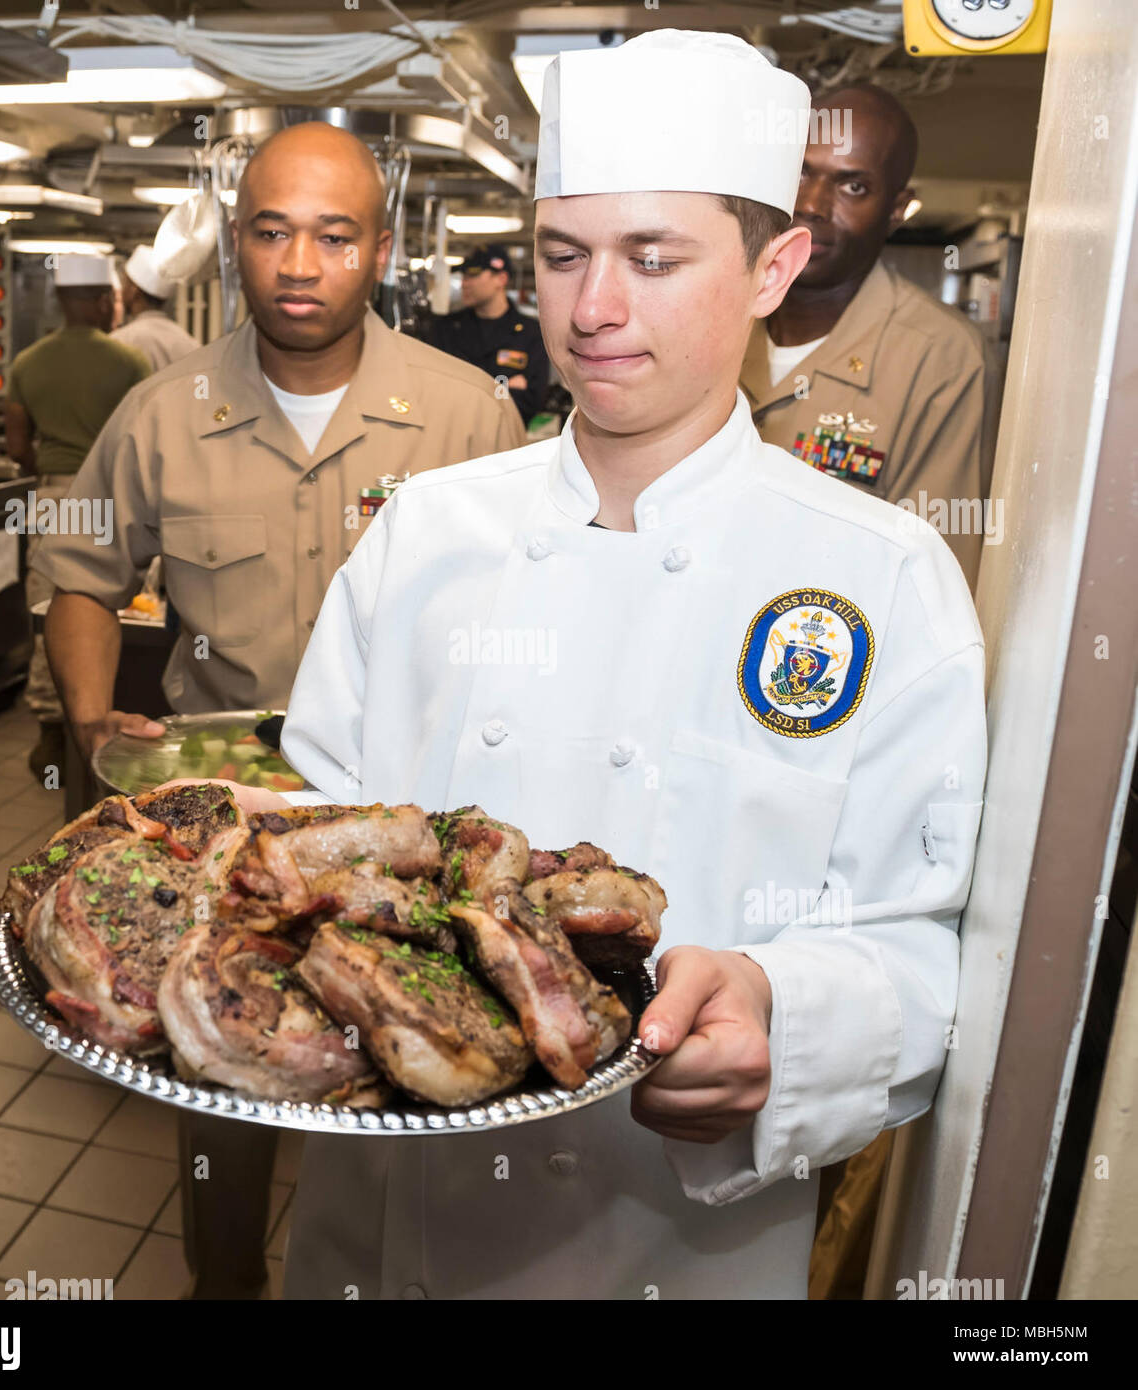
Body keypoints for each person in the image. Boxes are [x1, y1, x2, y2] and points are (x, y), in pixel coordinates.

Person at [223, 29, 985, 1300]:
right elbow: (312, 841)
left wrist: (781, 1014)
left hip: (674, 1242)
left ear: (772, 268)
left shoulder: (882, 577)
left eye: (654, 257)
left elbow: (927, 942)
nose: (592, 311)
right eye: (563, 254)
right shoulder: (427, 529)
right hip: (386, 1221)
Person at [31, 120, 524, 1299]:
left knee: (422, 1064)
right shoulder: (164, 413)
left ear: (383, 248)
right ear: (236, 244)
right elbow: (81, 571)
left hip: (407, 836)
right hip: (231, 834)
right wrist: (96, 722)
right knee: (222, 1094)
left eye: (333, 235)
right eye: (270, 231)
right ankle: (226, 1285)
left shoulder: (467, 421)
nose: (298, 264)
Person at [740, 83, 998, 590]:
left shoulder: (939, 357)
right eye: (800, 173)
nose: (811, 205)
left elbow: (934, 581)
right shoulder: (717, 315)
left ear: (898, 209)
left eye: (852, 186)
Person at [3, 254, 151, 779]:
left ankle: (49, 731)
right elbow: (145, 443)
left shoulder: (27, 362)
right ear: (98, 300)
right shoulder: (128, 362)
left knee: (52, 611)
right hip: (108, 499)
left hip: (48, 498)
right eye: (110, 298)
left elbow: (16, 443)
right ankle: (90, 726)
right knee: (107, 605)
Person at [424, 244, 550, 424]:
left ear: (501, 278)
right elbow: (435, 391)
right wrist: (502, 387)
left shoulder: (531, 334)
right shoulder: (445, 329)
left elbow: (531, 402)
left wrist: (467, 390)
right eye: (464, 275)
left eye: (473, 275)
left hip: (507, 443)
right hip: (453, 433)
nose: (464, 283)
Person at [110, 244, 199, 372]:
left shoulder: (120, 342)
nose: (121, 289)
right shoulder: (189, 342)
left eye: (125, 282)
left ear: (134, 291)